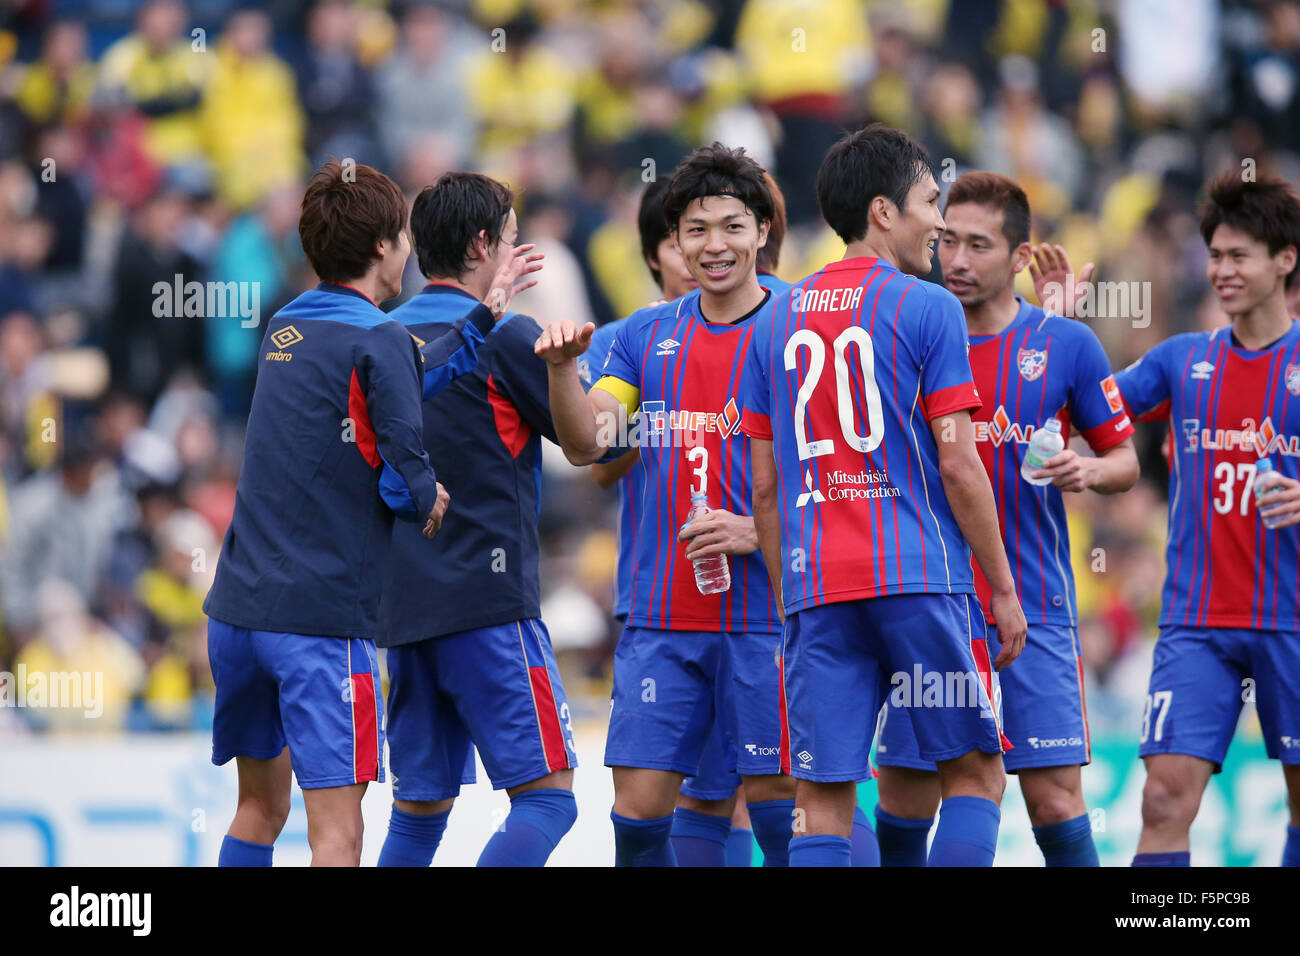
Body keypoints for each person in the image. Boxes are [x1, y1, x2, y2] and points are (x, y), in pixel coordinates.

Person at [202, 160, 536, 867]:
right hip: (318, 623)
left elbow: (400, 381)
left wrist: (485, 314)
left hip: (237, 612)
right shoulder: (377, 337)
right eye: (403, 238)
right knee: (338, 835)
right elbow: (403, 476)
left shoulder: (287, 326)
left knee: (259, 809)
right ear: (384, 247)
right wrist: (428, 496)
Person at [742, 123, 1026, 866]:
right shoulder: (928, 308)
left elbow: (764, 486)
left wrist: (787, 592)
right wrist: (1000, 586)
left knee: (825, 800)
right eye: (931, 202)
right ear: (882, 211)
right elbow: (961, 467)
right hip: (915, 579)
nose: (939, 221)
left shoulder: (771, 318)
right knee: (974, 773)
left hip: (816, 589)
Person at [536, 144, 798, 866]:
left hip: (769, 617)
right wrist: (563, 372)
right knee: (640, 808)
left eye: (732, 226)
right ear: (674, 243)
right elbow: (591, 443)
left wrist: (759, 529)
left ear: (763, 233)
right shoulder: (647, 337)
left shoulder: (803, 329)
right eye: (697, 230)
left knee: (780, 801)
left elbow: (846, 473)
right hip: (662, 618)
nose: (715, 245)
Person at [872, 171, 1139, 867]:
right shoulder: (910, 331)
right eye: (949, 239)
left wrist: (1088, 470)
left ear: (1020, 257)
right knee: (904, 796)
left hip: (1035, 605)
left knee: (1053, 800)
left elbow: (1126, 462)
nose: (957, 260)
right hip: (928, 602)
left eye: (980, 246)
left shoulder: (1065, 344)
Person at [375, 172, 576, 868]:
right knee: (550, 797)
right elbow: (592, 442)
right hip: (488, 606)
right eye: (514, 238)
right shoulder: (507, 338)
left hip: (402, 613)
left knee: (418, 813)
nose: (519, 251)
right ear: (485, 244)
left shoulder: (381, 339)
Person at [1113, 173, 1300, 866]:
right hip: (1199, 626)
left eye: (1239, 255)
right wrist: (1060, 319)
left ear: (1285, 259)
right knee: (1162, 799)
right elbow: (1091, 404)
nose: (1221, 270)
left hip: (1295, 621)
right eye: (1215, 255)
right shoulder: (1181, 361)